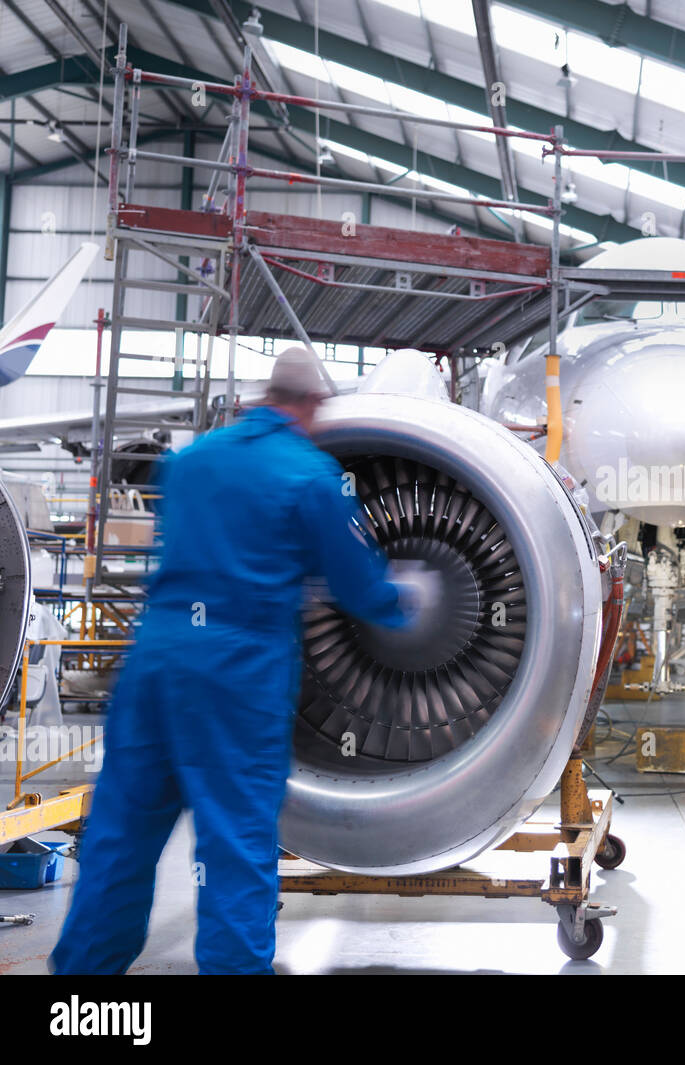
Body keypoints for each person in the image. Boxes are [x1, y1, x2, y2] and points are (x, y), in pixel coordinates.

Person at [52, 346, 422, 975]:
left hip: (155, 661)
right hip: (235, 671)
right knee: (234, 841)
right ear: (309, 405)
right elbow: (360, 586)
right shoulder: (309, 476)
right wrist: (404, 600)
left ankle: (80, 993)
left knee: (120, 836)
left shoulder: (193, 461)